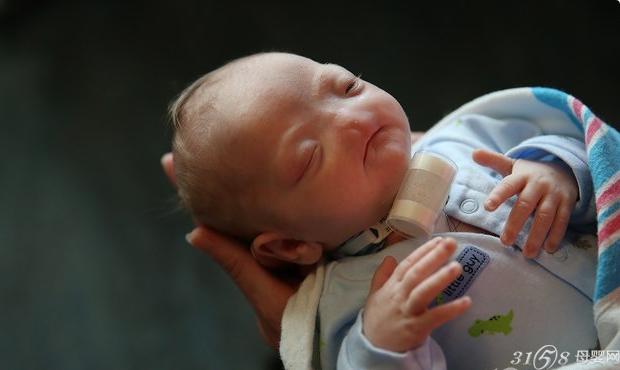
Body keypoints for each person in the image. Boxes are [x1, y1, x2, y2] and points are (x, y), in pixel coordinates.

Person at [163, 52, 597, 369]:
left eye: (347, 87)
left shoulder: (466, 139)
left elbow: (577, 143)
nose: (351, 119)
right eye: (311, 154)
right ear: (292, 244)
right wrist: (383, 342)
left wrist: (555, 169)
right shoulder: (349, 303)